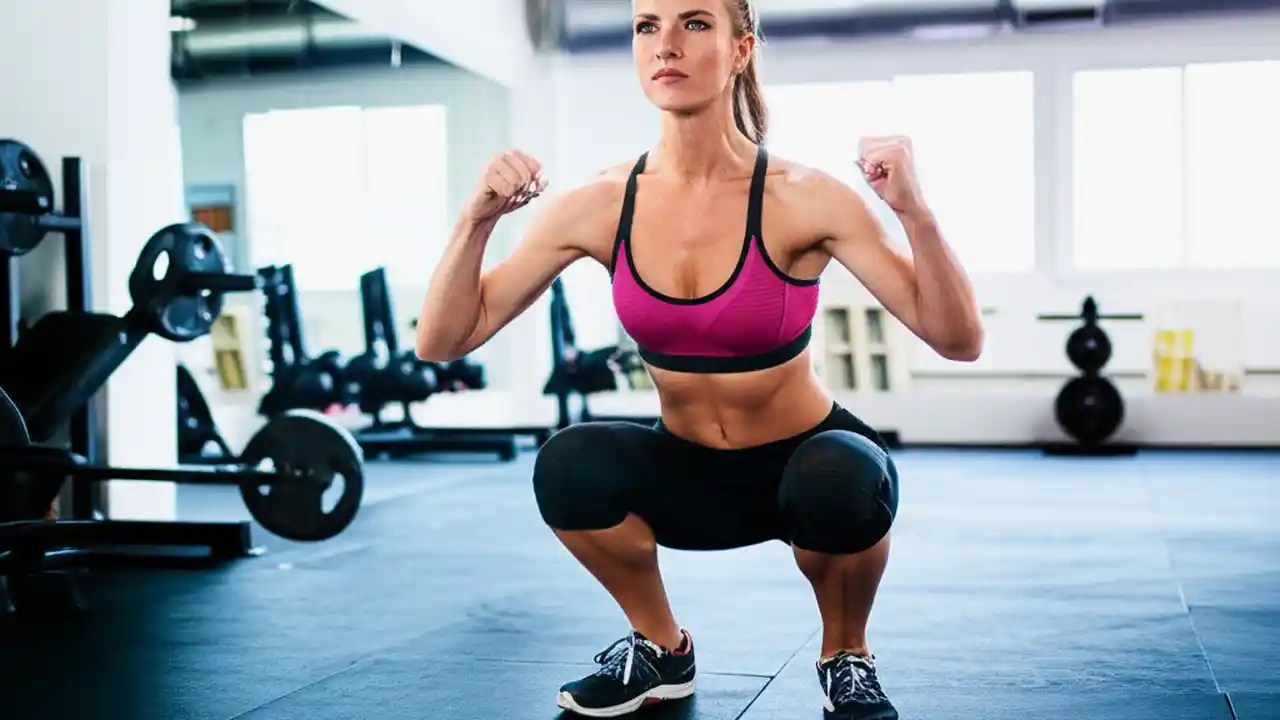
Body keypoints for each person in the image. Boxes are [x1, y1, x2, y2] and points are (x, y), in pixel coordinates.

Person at [416, 0, 984, 716]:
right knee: (568, 465)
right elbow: (443, 341)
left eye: (694, 23)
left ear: (741, 48)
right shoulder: (599, 203)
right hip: (687, 471)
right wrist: (476, 220)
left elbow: (957, 338)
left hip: (805, 469)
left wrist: (914, 212)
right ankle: (661, 648)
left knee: (842, 476)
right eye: (646, 26)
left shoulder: (804, 197)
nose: (666, 44)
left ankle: (847, 655)